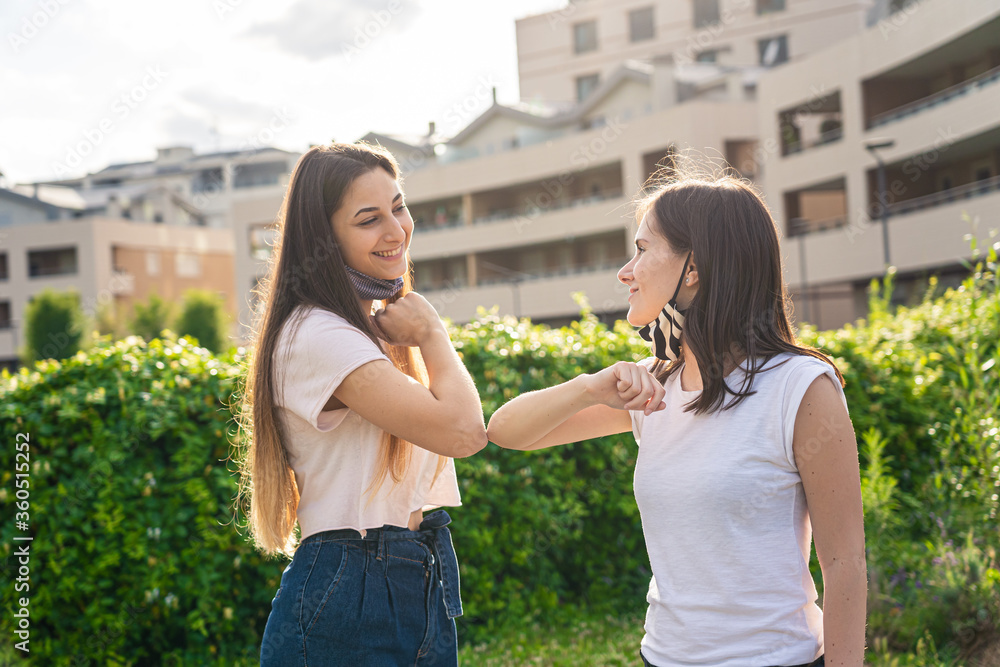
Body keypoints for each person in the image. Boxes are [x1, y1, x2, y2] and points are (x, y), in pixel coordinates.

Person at [487, 172, 867, 666]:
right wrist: (588, 387)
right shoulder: (655, 389)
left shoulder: (801, 386)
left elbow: (844, 564)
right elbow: (504, 431)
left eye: (642, 250)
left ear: (693, 268)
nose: (626, 271)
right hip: (662, 657)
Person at [235, 141, 488, 666]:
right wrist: (434, 335)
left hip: (412, 575)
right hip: (350, 590)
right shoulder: (318, 334)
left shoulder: (368, 329)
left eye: (398, 206)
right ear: (324, 239)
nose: (396, 230)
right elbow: (464, 433)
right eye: (369, 219)